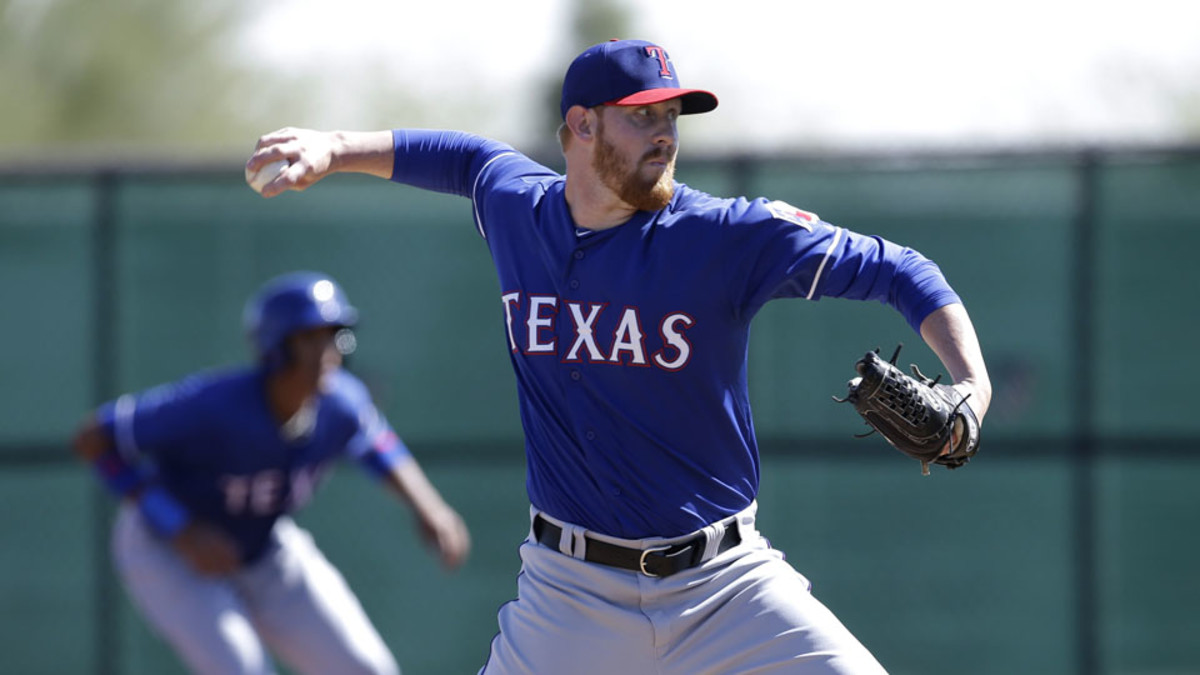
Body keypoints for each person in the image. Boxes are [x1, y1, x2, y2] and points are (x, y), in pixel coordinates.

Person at [246, 39, 992, 675]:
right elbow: (458, 157)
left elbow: (906, 271)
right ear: (580, 124)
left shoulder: (723, 237)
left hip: (725, 588)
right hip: (568, 598)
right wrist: (335, 149)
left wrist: (971, 387)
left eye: (671, 116)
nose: (664, 133)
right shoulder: (518, 209)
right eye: (642, 117)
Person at [72, 271, 471, 675]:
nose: (324, 352)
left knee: (368, 669)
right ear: (274, 346)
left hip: (264, 545)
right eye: (307, 338)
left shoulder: (342, 403)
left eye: (331, 336)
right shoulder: (214, 406)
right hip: (165, 549)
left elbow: (380, 446)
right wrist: (179, 527)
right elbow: (94, 437)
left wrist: (430, 508)